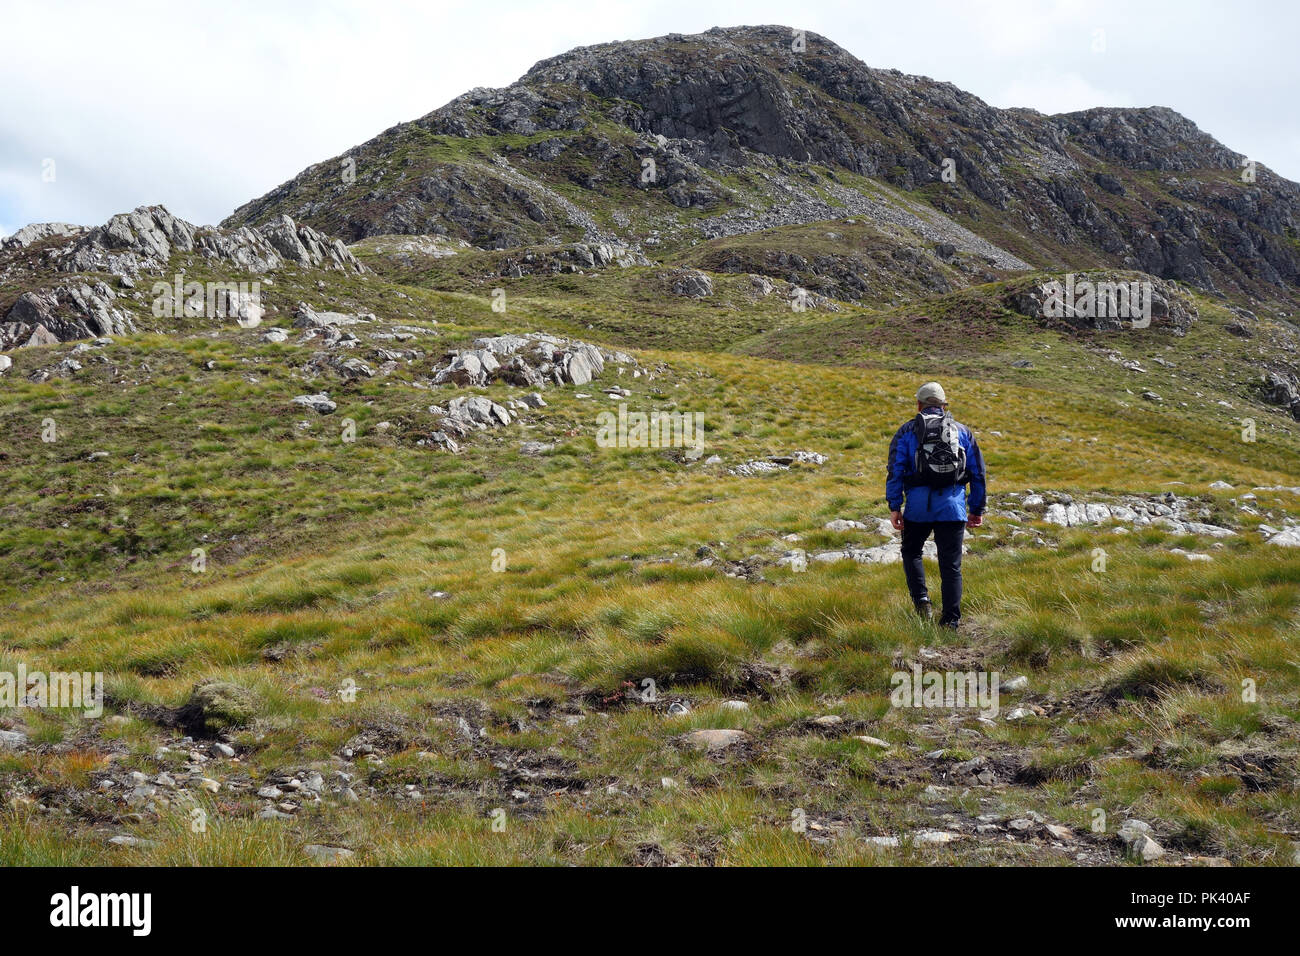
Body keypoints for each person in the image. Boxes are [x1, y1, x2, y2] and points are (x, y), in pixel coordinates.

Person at [885, 382, 986, 628]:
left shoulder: (906, 432)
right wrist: (976, 509)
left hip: (918, 509)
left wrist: (895, 505)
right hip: (952, 507)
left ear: (919, 404)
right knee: (951, 565)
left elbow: (895, 469)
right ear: (944, 406)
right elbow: (978, 472)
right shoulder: (962, 431)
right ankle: (951, 621)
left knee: (911, 552)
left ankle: (922, 602)